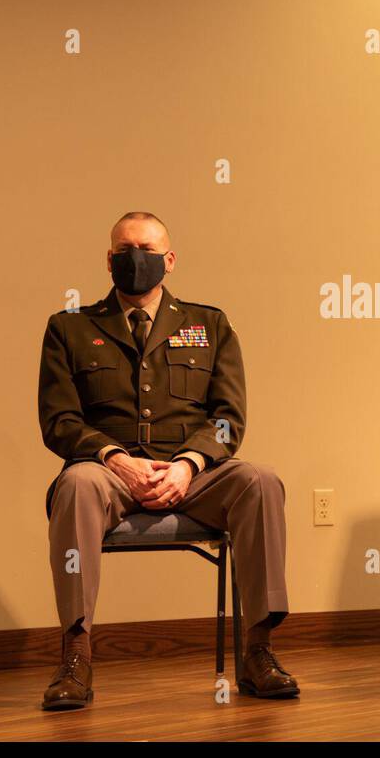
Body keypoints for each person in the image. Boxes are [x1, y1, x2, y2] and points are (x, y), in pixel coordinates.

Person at [37, 211, 297, 708]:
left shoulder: (209, 324)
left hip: (192, 475)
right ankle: (75, 656)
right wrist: (115, 458)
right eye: (124, 250)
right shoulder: (69, 328)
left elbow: (228, 419)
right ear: (109, 260)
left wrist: (189, 465)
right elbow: (60, 422)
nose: (136, 259)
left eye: (148, 251)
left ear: (170, 260)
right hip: (107, 472)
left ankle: (259, 651)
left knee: (260, 480)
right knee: (75, 485)